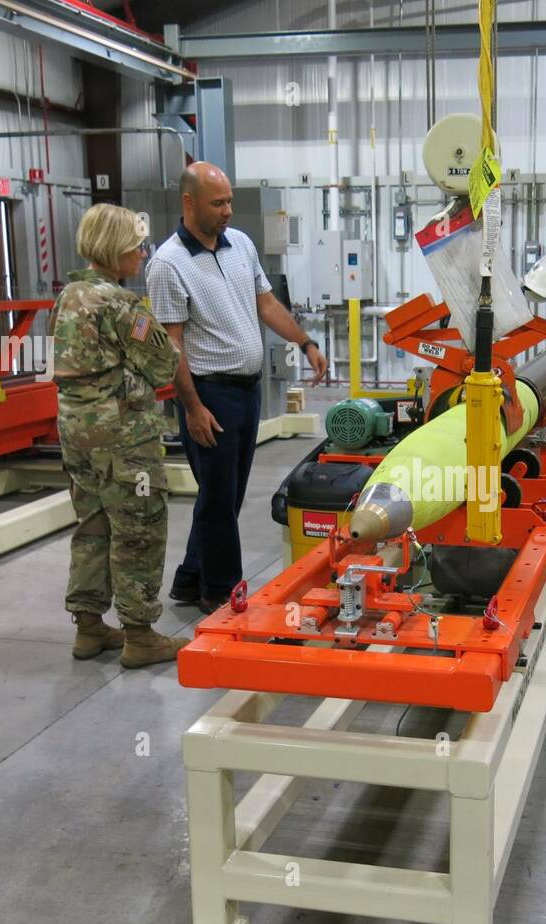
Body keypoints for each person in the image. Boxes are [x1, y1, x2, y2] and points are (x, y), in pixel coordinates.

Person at [146, 163, 327, 614]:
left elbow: (266, 304)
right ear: (189, 203)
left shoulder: (240, 245)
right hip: (209, 394)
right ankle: (221, 591)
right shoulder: (168, 264)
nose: (228, 210)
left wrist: (304, 341)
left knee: (223, 494)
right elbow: (172, 346)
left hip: (246, 392)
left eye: (229, 201)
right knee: (220, 496)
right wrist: (192, 407)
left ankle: (189, 578)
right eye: (218, 203)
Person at [51, 203, 187, 666]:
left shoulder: (68, 295)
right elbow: (164, 363)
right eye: (137, 244)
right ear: (115, 248)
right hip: (123, 437)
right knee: (139, 529)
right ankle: (140, 635)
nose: (143, 254)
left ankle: (89, 628)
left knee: (92, 527)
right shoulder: (122, 304)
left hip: (76, 433)